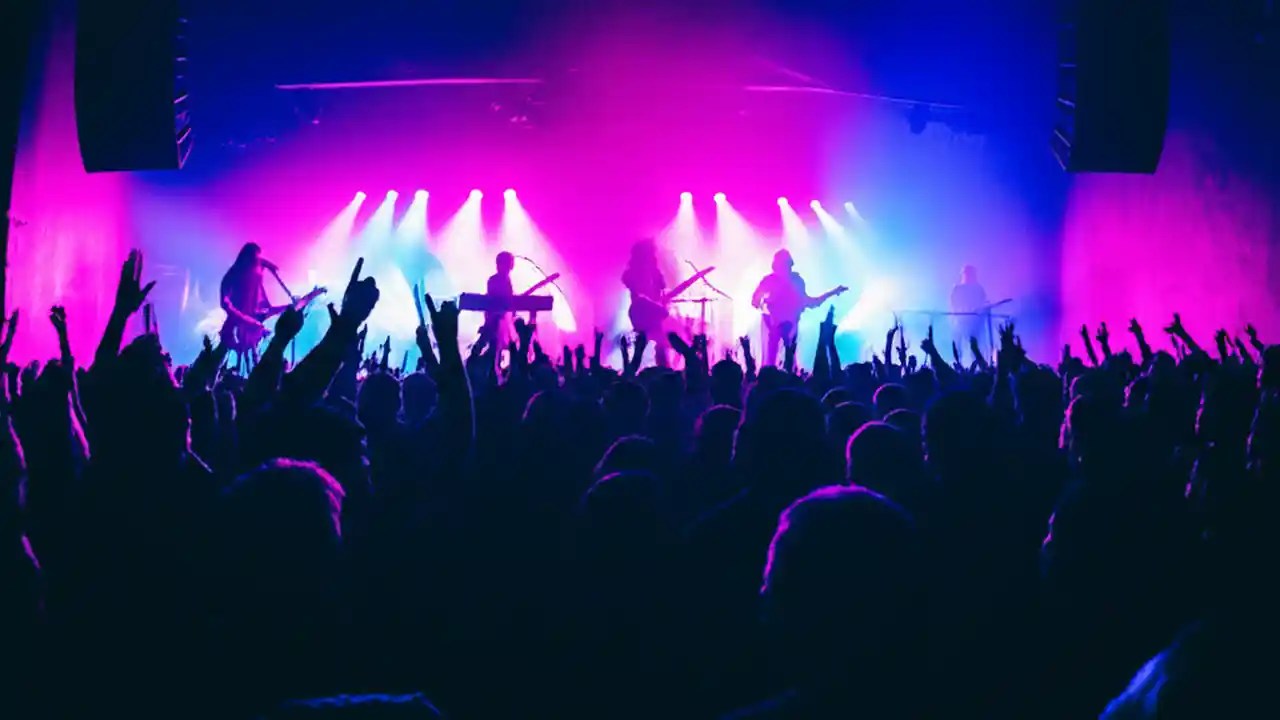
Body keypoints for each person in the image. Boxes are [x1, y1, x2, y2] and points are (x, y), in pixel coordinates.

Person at [751, 250, 845, 367]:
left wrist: (832, 292)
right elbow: (755, 300)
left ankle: (779, 376)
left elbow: (809, 302)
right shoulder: (770, 280)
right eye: (783, 265)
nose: (786, 268)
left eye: (787, 265)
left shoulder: (795, 280)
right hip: (775, 324)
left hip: (789, 324)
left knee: (786, 357)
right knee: (775, 357)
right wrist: (764, 303)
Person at [220, 243, 273, 363]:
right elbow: (225, 303)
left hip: (249, 334)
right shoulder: (233, 275)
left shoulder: (255, 283)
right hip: (234, 333)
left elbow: (266, 308)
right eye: (256, 261)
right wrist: (245, 320)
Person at [623, 239, 669, 366]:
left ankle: (661, 370)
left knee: (659, 345)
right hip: (642, 310)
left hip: (651, 311)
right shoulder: (633, 272)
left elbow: (662, 288)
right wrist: (658, 307)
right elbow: (636, 292)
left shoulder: (655, 271)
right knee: (644, 344)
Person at [949, 264, 989, 361]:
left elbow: (983, 303)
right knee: (958, 346)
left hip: (975, 323)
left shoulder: (978, 289)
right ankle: (958, 363)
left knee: (976, 346)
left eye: (970, 274)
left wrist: (979, 311)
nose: (968, 276)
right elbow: (952, 304)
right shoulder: (957, 289)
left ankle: (977, 365)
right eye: (966, 274)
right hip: (960, 322)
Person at [479, 251, 516, 355]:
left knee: (497, 347)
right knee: (492, 344)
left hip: (503, 319)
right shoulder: (494, 280)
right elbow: (493, 301)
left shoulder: (506, 280)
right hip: (494, 319)